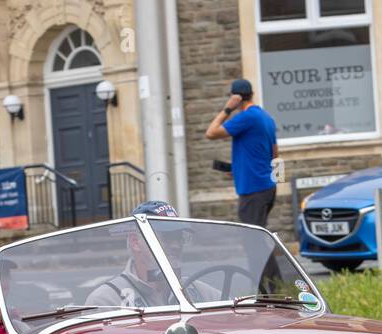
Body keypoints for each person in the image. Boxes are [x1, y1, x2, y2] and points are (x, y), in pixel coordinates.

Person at [86, 201, 215, 310]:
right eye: (167, 238)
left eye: (179, 237)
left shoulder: (197, 290)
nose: (176, 246)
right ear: (135, 242)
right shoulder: (107, 300)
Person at [204, 79, 278, 227]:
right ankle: (276, 251)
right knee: (260, 236)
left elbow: (210, 133)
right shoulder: (266, 117)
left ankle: (279, 252)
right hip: (268, 187)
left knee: (252, 241)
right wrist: (277, 181)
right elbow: (275, 153)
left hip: (253, 189)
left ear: (234, 98)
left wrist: (227, 109)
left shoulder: (247, 117)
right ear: (252, 94)